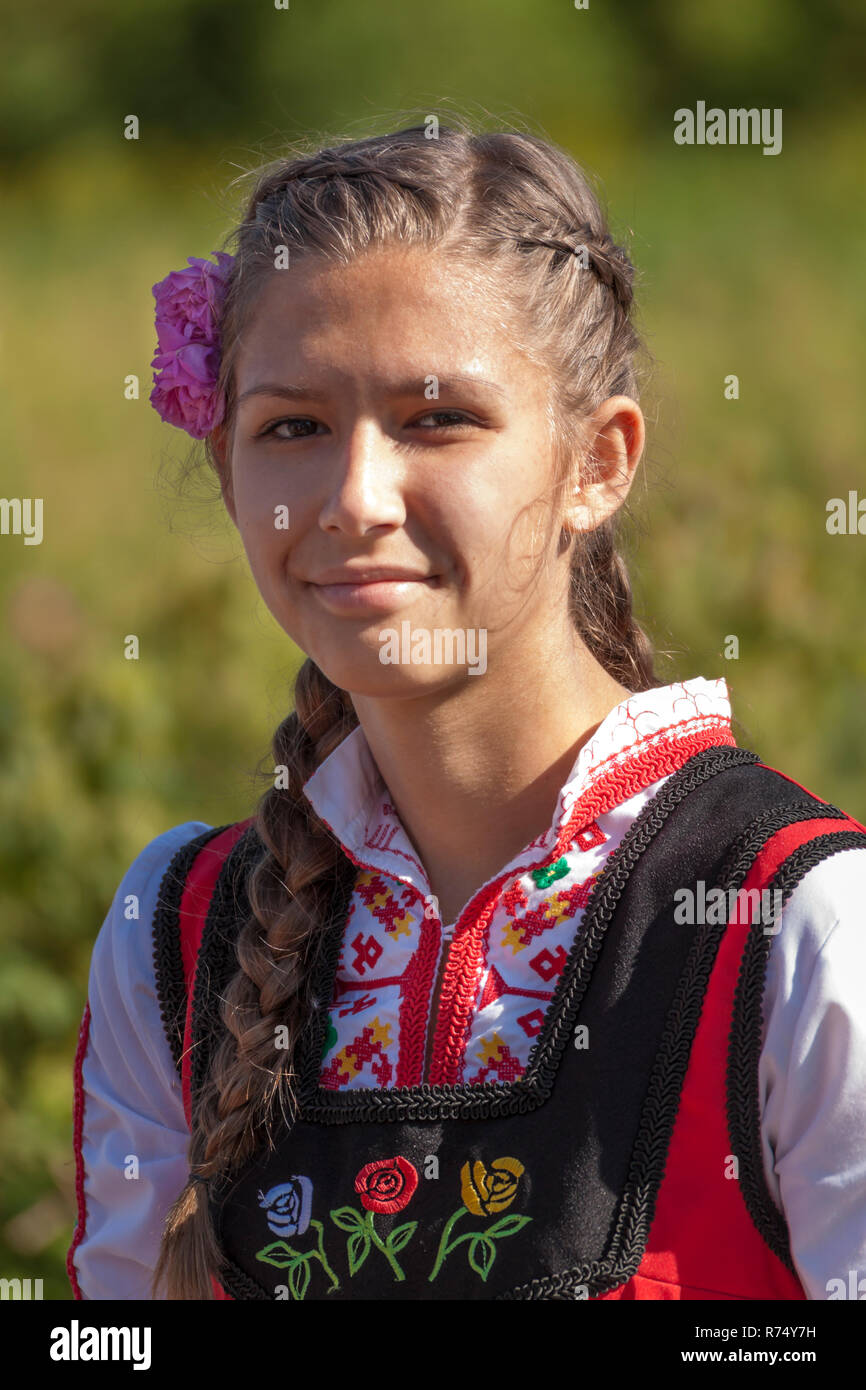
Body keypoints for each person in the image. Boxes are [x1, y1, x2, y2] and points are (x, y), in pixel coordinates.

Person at [67, 121, 866, 1302]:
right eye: (292, 426)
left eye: (435, 419)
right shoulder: (173, 934)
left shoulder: (793, 924)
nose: (352, 497)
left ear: (597, 462)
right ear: (230, 471)